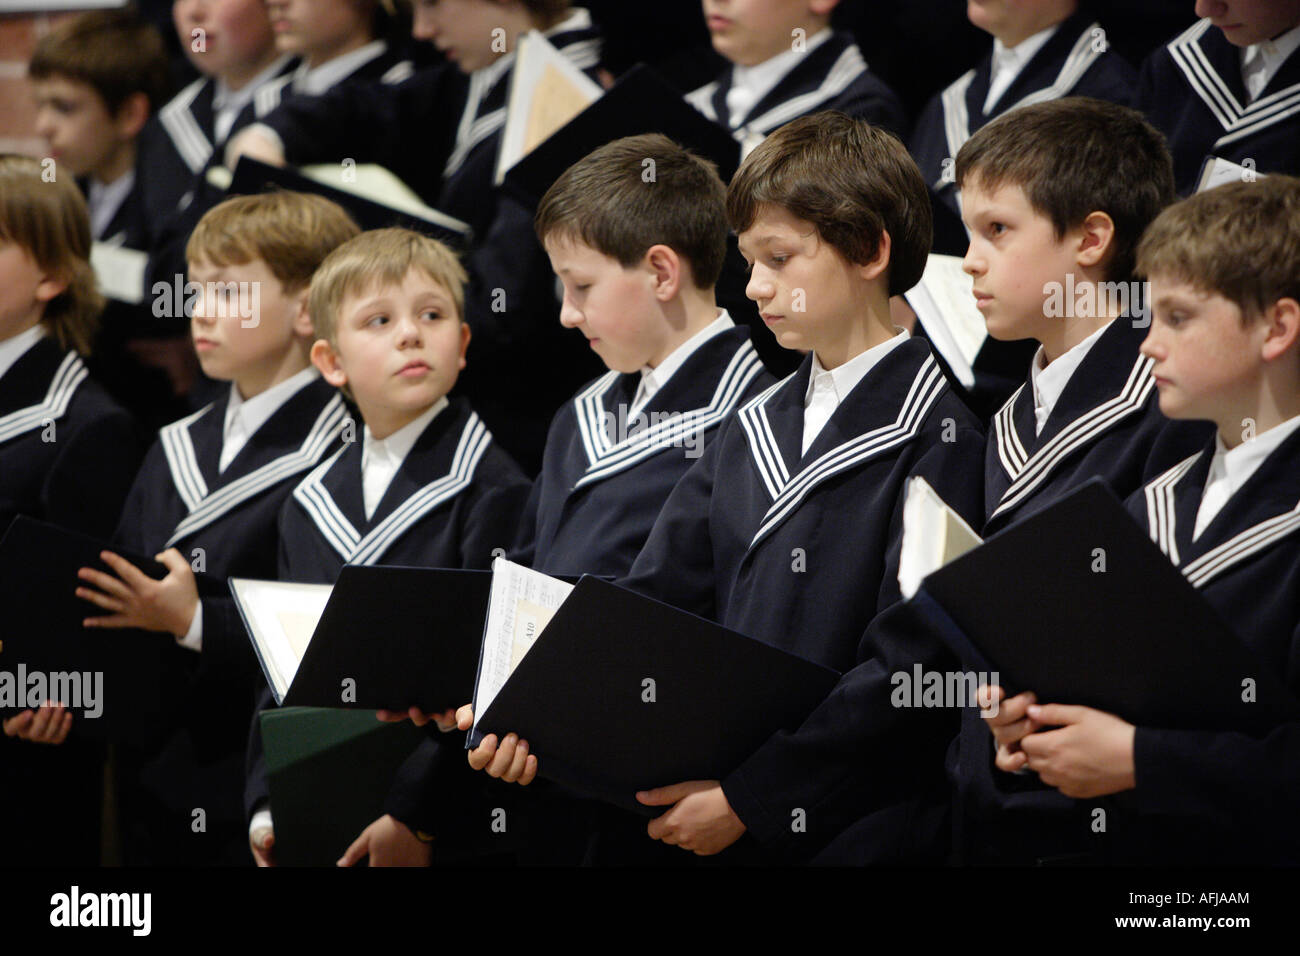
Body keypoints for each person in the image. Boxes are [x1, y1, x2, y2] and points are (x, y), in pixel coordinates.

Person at [460, 111, 988, 864]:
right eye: (748, 261)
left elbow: (910, 676)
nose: (757, 287)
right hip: (719, 813)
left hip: (857, 831)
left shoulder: (943, 438)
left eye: (780, 258)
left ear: (871, 250)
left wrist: (756, 797)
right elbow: (657, 600)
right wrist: (527, 706)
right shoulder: (752, 425)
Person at [983, 176, 1300, 864]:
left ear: (1277, 327)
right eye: (1149, 316)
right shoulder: (1149, 502)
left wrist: (1141, 760)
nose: (1148, 344)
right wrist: (1032, 724)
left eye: (1179, 318)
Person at [74, 191, 359, 864]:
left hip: (262, 786)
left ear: (306, 307)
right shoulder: (176, 440)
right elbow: (117, 585)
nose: (199, 313)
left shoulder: (346, 446)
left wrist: (195, 620)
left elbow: (333, 633)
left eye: (229, 292)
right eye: (197, 291)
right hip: (154, 767)